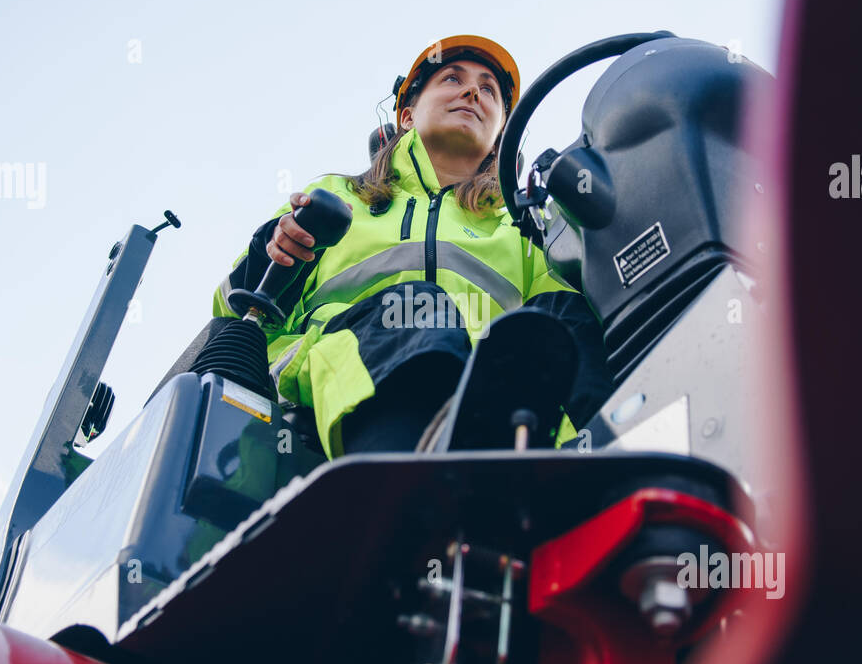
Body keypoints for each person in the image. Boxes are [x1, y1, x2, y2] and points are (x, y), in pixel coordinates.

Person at [212, 34, 614, 459]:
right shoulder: (338, 197)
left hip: (493, 404)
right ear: (406, 116)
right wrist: (275, 248)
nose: (472, 91)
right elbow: (233, 309)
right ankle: (417, 478)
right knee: (415, 306)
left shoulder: (523, 229)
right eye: (452, 78)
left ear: (500, 136)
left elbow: (569, 335)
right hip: (328, 375)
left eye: (488, 90)